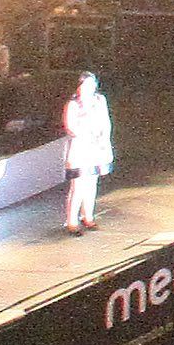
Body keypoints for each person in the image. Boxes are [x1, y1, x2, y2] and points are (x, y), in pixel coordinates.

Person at [62, 70, 115, 234]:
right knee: (78, 186)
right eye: (85, 84)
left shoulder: (100, 100)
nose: (89, 88)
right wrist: (88, 133)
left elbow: (106, 122)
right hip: (81, 149)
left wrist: (103, 139)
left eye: (92, 84)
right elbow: (70, 127)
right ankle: (72, 222)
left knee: (92, 183)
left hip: (96, 147)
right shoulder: (73, 104)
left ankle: (88, 217)